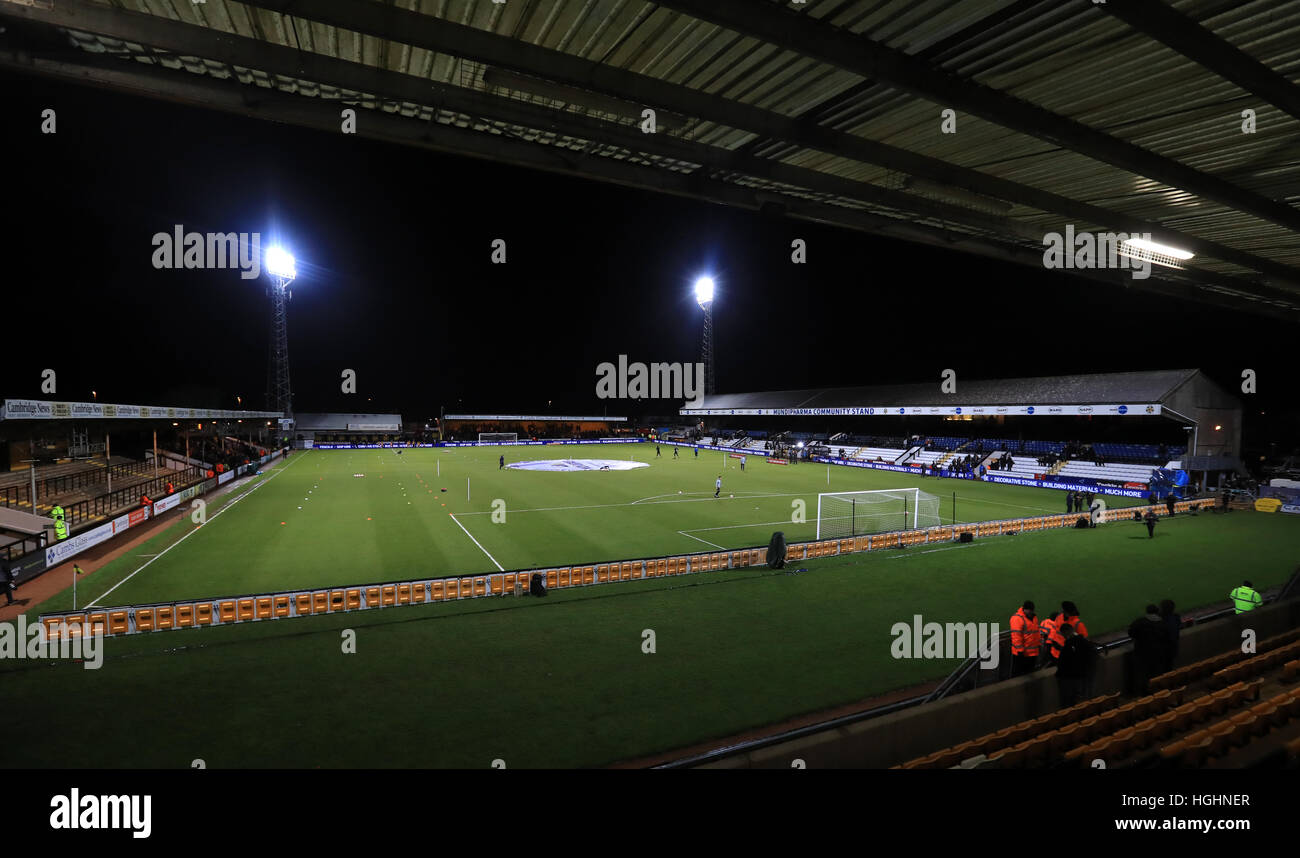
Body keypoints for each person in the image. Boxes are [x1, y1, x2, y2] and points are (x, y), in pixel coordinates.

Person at [1128, 604, 1169, 694]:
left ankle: (1145, 694)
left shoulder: (1140, 622)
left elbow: (1131, 632)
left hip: (1142, 652)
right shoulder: (1163, 623)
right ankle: (1156, 693)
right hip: (1158, 652)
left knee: (1143, 674)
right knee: (1156, 673)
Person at [1055, 624, 1098, 706]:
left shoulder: (1071, 644)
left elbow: (1064, 661)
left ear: (1066, 632)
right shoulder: (1082, 641)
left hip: (1076, 676)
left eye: (1063, 634)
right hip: (1084, 672)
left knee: (1077, 699)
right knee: (1086, 697)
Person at [1009, 601, 1041, 677]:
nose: (1031, 612)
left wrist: (1039, 644)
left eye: (1032, 610)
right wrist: (1020, 651)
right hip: (1022, 654)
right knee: (1018, 674)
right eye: (1029, 610)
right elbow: (1016, 636)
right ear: (1024, 609)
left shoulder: (1034, 617)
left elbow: (1036, 632)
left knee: (1029, 674)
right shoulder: (1017, 618)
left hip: (1033, 653)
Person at [1159, 599, 1181, 674]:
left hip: (1162, 650)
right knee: (1168, 668)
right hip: (1172, 649)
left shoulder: (1160, 620)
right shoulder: (1176, 618)